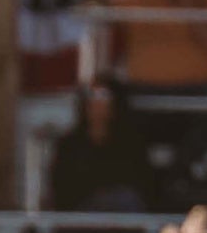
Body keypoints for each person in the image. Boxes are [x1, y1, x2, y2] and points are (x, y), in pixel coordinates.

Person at [48, 76, 155, 215]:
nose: (97, 103)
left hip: (123, 215)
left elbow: (142, 184)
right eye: (92, 96)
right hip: (82, 215)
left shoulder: (131, 144)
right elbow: (63, 189)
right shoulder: (69, 145)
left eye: (104, 96)